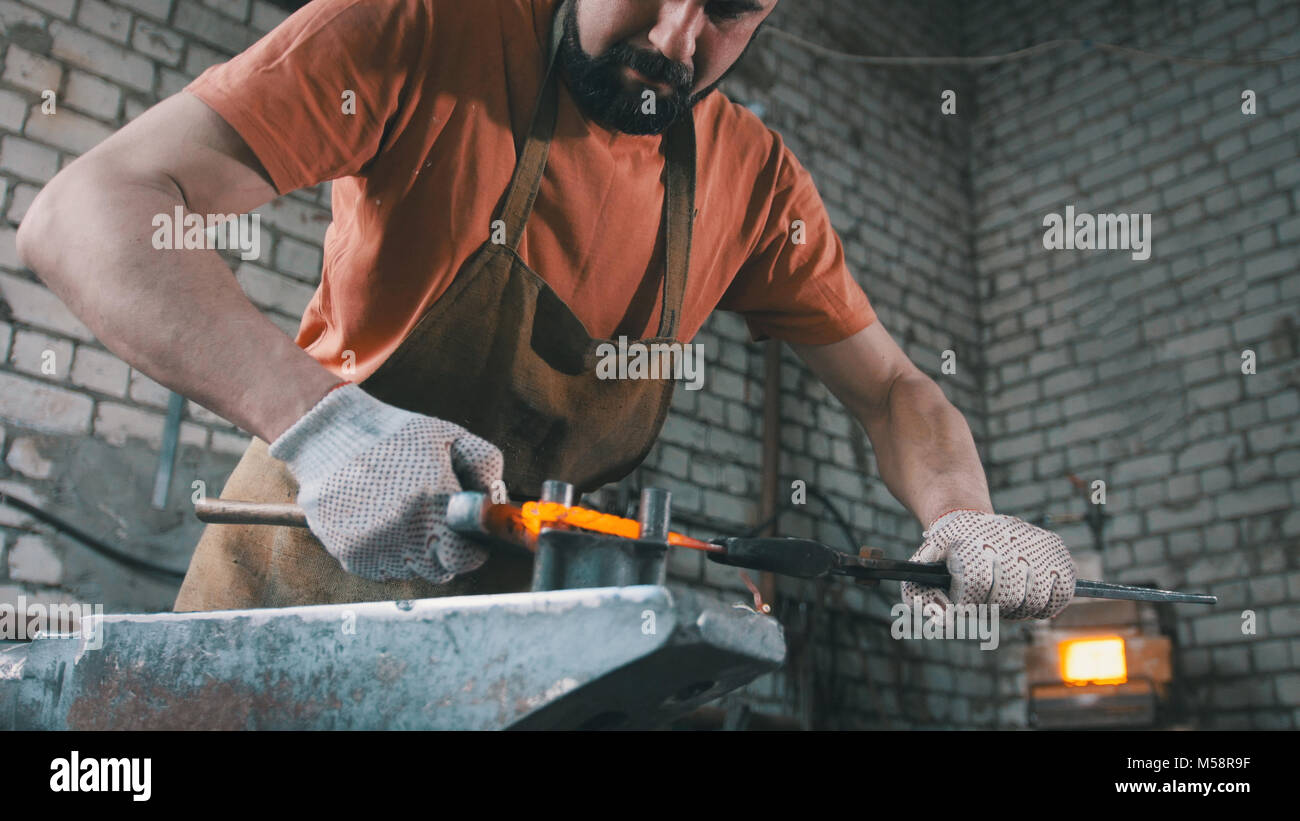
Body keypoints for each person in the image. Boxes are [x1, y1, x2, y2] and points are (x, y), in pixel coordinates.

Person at [16, 0, 1075, 619]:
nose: (672, 37)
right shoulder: (425, 29)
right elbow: (86, 212)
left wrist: (960, 513)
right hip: (293, 574)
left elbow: (892, 386)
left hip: (518, 625)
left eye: (728, 10)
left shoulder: (752, 183)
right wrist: (325, 425)